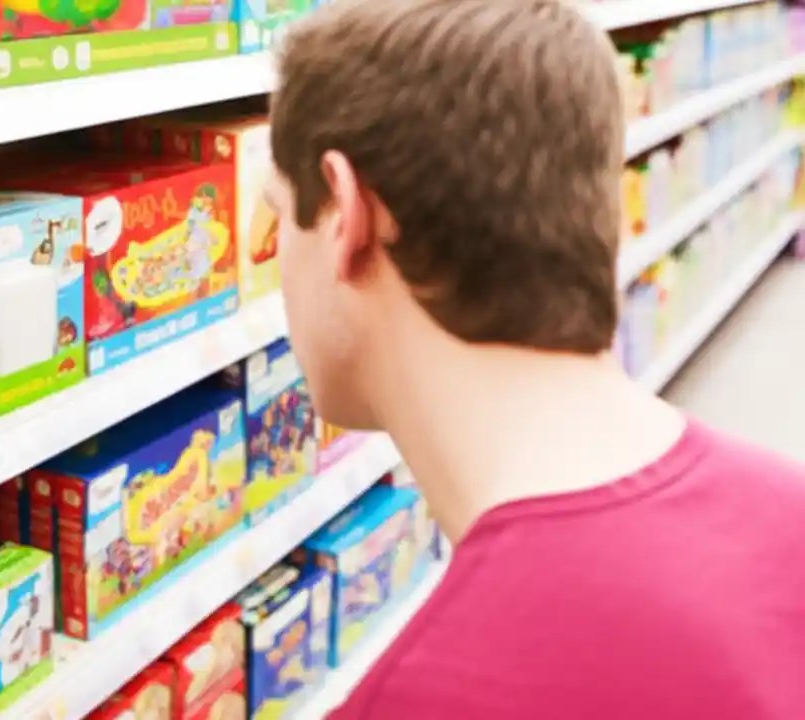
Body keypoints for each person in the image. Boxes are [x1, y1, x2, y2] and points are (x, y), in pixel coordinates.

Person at [267, 0, 805, 717]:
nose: (260, 251)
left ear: (345, 213)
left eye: (274, 211)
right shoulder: (788, 510)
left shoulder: (421, 698)